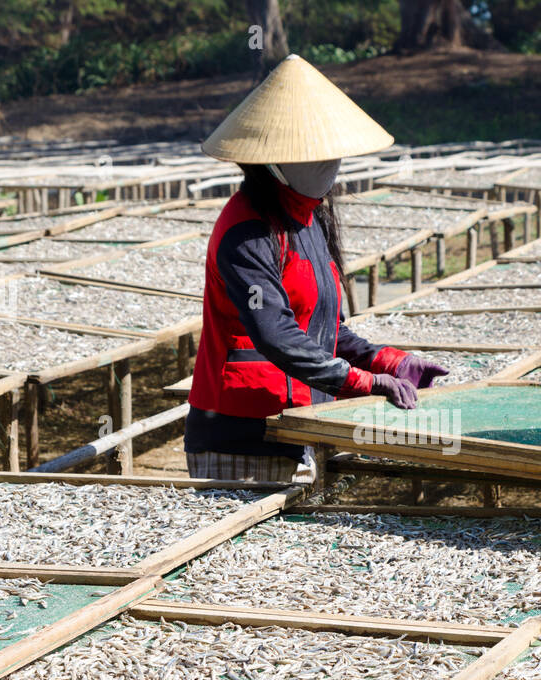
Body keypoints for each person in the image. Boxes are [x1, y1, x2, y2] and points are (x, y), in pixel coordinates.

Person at [186, 54, 448, 482]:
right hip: (243, 433)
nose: (329, 162)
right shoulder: (246, 231)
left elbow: (325, 328)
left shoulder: (309, 219)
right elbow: (276, 334)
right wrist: (364, 383)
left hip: (304, 423)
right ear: (272, 160)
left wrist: (388, 362)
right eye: (313, 153)